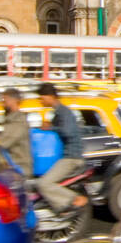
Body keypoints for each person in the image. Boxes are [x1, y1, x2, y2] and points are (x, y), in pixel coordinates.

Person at [35, 83, 88, 213]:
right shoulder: (57, 113)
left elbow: (68, 132)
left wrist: (51, 128)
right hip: (65, 156)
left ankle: (74, 199)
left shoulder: (64, 112)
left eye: (42, 98)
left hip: (71, 157)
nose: (41, 101)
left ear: (51, 97)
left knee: (43, 184)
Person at [0, 88, 33, 175]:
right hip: (11, 168)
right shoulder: (10, 119)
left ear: (14, 100)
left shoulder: (18, 122)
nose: (3, 103)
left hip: (20, 169)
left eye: (5, 100)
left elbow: (2, 143)